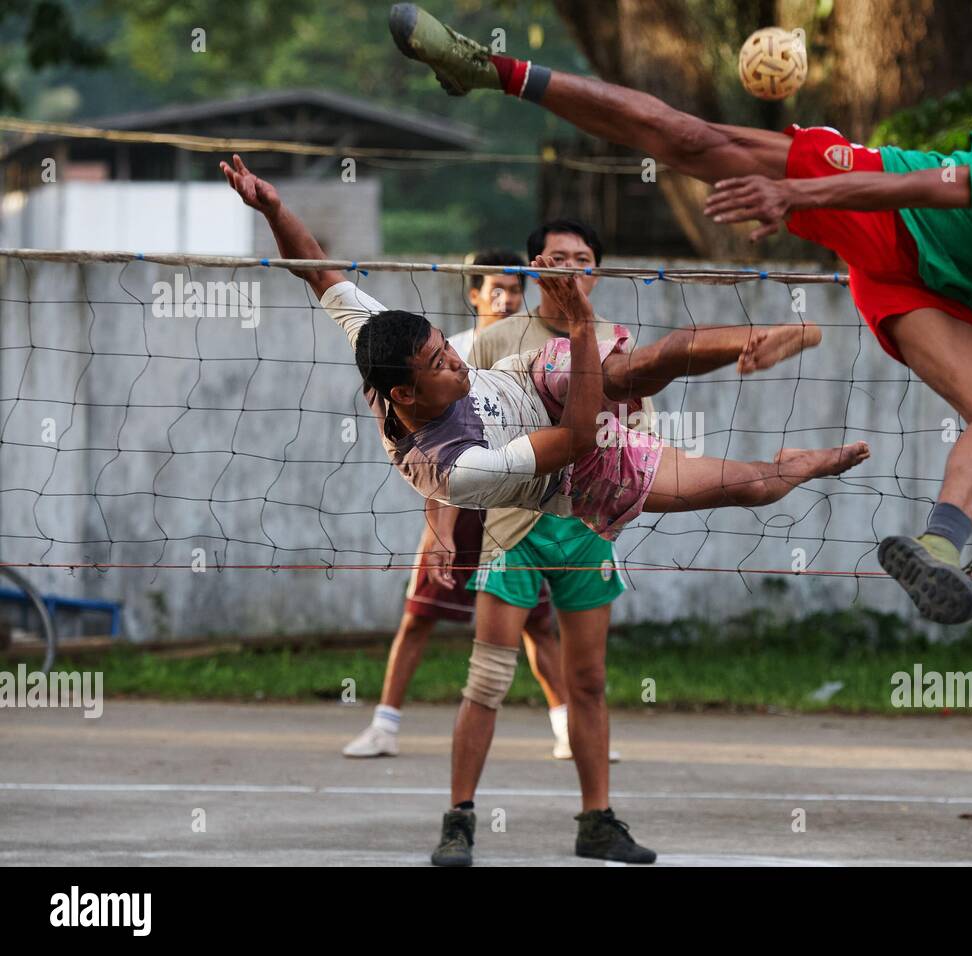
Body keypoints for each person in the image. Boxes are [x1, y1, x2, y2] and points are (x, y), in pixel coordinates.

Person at [388, 0, 972, 626]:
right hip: (889, 210)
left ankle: (939, 551)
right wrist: (800, 198)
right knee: (696, 139)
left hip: (927, 294)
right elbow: (918, 181)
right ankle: (494, 68)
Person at [221, 153, 868, 862]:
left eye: (447, 347)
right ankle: (459, 819)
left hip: (542, 383)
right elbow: (575, 441)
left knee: (633, 365)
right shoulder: (450, 466)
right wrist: (585, 335)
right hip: (571, 473)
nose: (458, 363)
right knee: (747, 486)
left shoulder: (384, 339)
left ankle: (751, 341)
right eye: (441, 367)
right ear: (404, 397)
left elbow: (317, 267)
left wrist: (272, 207)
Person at [433, 218, 649, 865]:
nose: (570, 268)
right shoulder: (496, 339)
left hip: (583, 530)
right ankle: (460, 820)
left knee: (586, 681)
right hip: (513, 528)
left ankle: (597, 822)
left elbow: (636, 441)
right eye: (556, 258)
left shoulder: (615, 342)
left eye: (582, 259)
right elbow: (447, 436)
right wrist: (442, 524)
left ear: (596, 272)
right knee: (489, 677)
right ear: (534, 270)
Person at [342, 250, 575, 760]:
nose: (507, 298)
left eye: (515, 289)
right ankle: (385, 723)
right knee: (420, 613)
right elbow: (439, 459)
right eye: (497, 288)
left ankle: (565, 727)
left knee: (534, 620)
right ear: (474, 295)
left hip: (513, 504)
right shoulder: (452, 354)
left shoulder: (529, 351)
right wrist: (441, 529)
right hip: (460, 499)